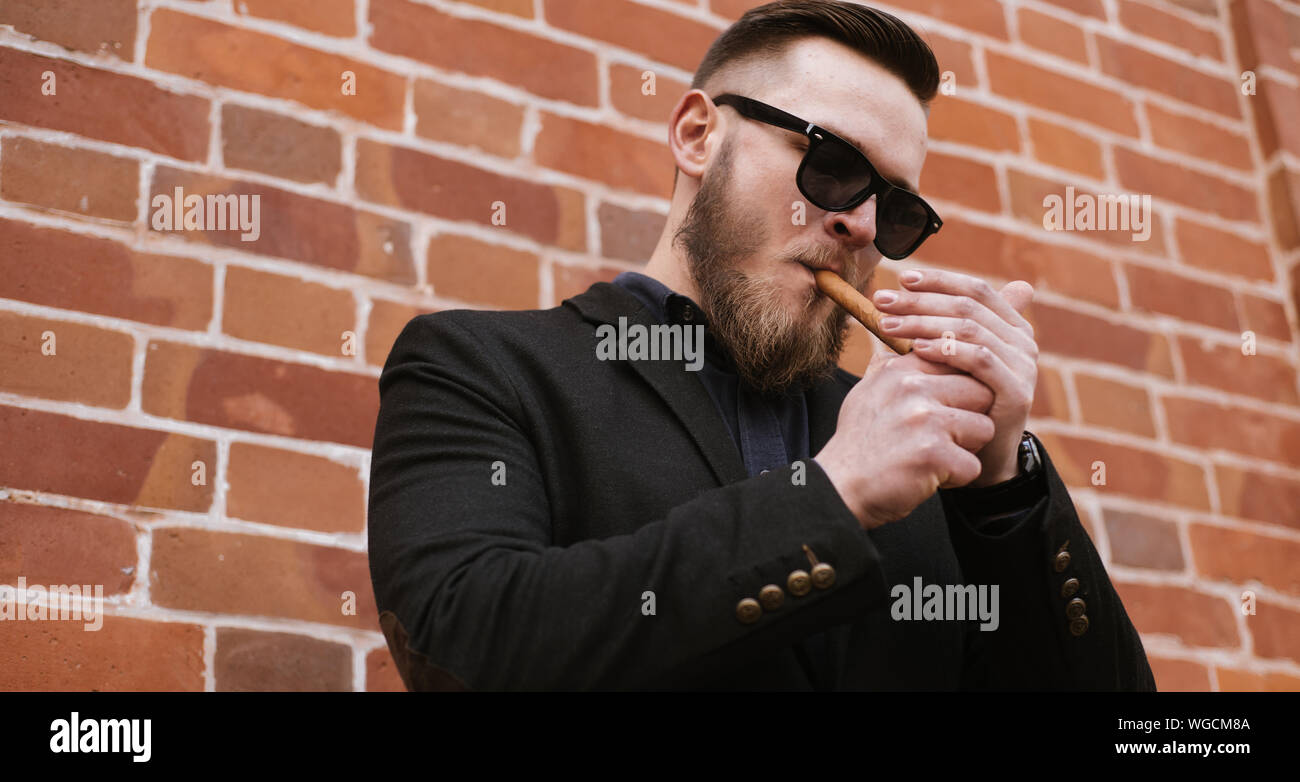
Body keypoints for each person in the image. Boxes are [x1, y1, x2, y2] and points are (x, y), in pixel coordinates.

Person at [366, 0, 1156, 691]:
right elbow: (460, 647)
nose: (864, 227)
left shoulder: (922, 450)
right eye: (834, 166)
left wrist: (1002, 491)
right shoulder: (482, 366)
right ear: (698, 135)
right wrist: (834, 494)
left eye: (898, 209)